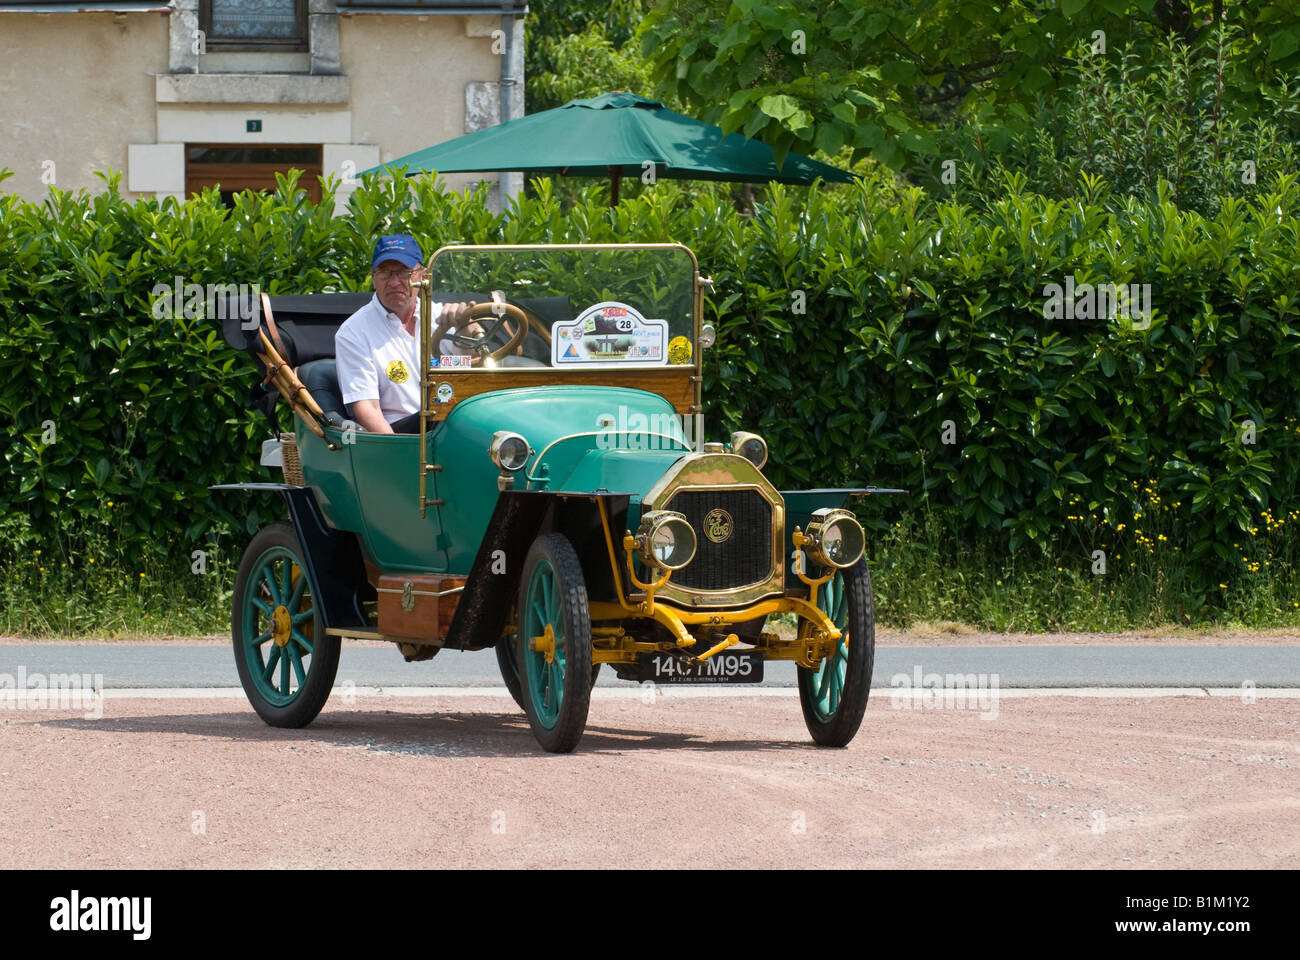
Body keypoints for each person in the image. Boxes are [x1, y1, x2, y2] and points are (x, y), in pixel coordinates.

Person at [334, 234, 478, 434]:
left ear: (423, 276)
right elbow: (367, 409)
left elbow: (473, 375)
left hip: (454, 426)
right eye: (384, 273)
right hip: (402, 435)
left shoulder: (442, 316)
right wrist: (398, 454)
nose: (394, 283)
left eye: (403, 272)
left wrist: (467, 329)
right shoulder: (353, 333)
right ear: (373, 277)